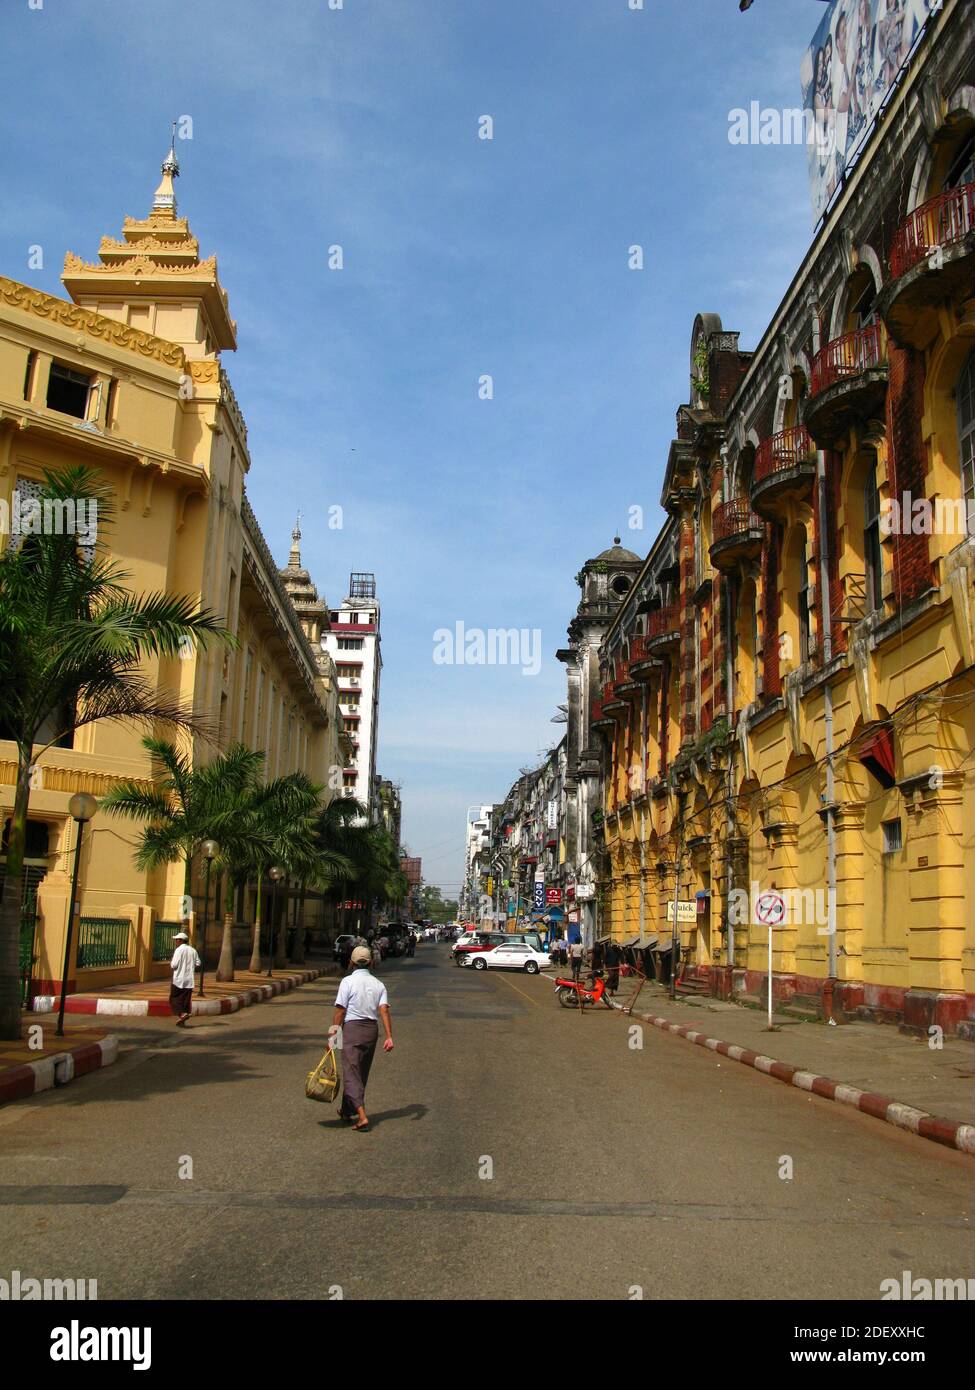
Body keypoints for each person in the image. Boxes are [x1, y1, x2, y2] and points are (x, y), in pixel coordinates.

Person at [330, 945, 394, 1131]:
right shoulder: (378, 984)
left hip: (353, 1030)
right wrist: (389, 1036)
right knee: (360, 1072)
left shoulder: (347, 982)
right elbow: (384, 1010)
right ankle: (347, 1110)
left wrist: (334, 1037)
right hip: (371, 1031)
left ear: (351, 962)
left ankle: (363, 1116)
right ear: (371, 962)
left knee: (351, 1073)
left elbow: (340, 1011)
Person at [169, 931, 199, 1027]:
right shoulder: (193, 950)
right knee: (185, 1000)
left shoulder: (178, 950)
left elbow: (174, 965)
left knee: (174, 998)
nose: (176, 942)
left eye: (177, 940)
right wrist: (191, 966)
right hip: (189, 980)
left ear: (181, 940)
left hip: (178, 979)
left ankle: (182, 1014)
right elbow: (198, 963)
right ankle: (183, 1018)